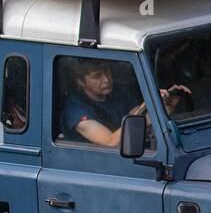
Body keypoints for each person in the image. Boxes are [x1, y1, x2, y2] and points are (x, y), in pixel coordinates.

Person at [60, 57, 189, 148]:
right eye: (97, 76)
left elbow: (142, 123)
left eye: (107, 72)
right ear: (81, 82)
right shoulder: (75, 110)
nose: (106, 79)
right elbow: (111, 143)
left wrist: (166, 105)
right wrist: (145, 107)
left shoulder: (118, 93)